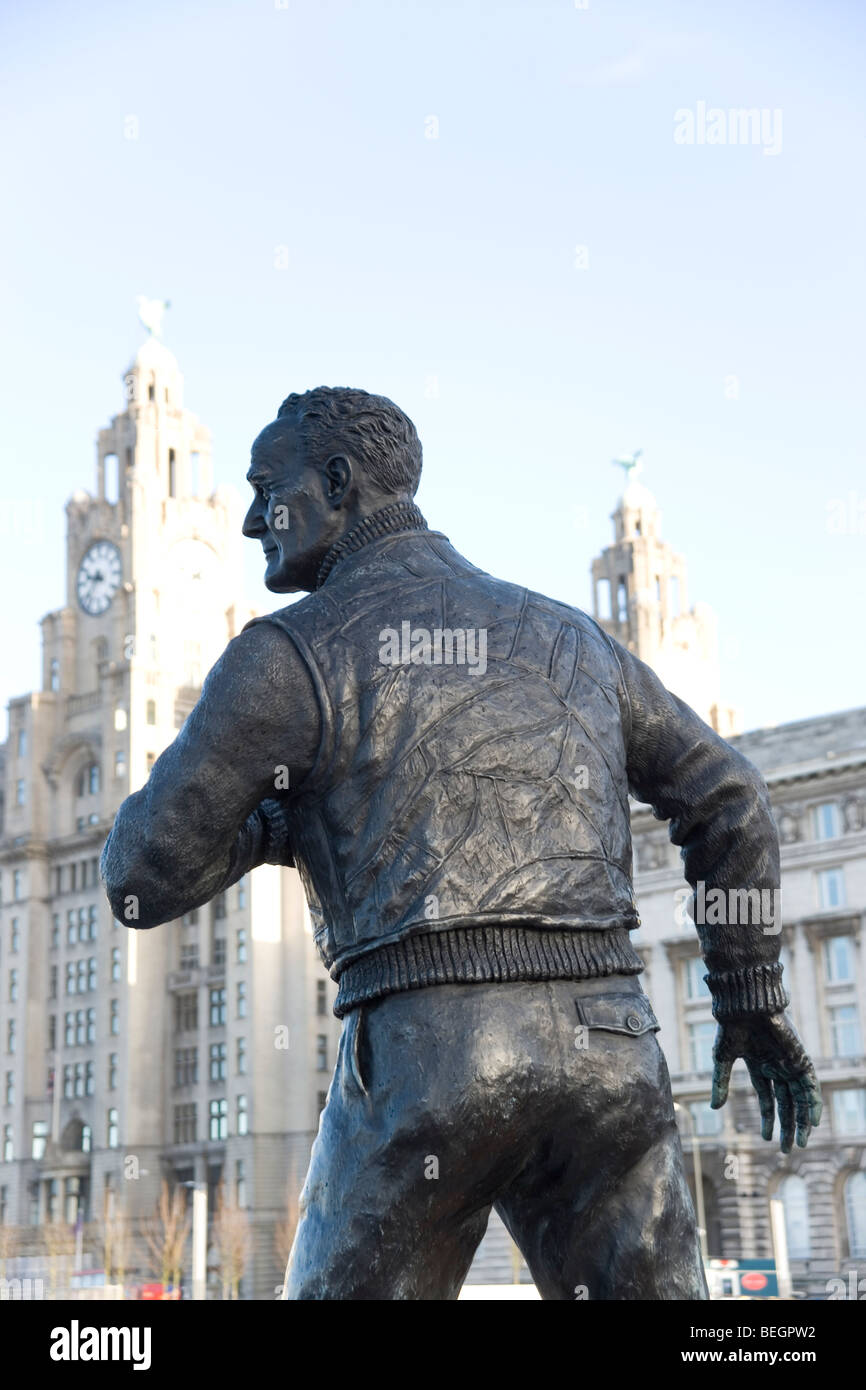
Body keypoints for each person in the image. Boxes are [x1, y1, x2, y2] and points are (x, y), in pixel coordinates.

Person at [102, 387, 821, 1300]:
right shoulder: (569, 636)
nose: (250, 521)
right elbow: (733, 794)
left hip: (430, 1064)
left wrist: (277, 819)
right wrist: (750, 996)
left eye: (264, 490)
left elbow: (139, 877)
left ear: (337, 481)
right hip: (613, 1059)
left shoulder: (288, 654)